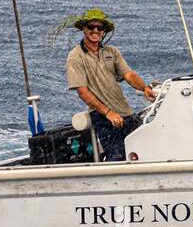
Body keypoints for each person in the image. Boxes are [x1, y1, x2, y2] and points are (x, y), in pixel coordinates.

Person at [65, 9, 155, 162]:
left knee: (147, 148)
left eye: (100, 28)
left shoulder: (112, 52)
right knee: (117, 156)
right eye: (91, 26)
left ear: (104, 32)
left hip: (125, 112)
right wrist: (108, 113)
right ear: (84, 29)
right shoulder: (75, 57)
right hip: (102, 116)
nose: (95, 31)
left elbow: (129, 75)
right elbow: (83, 92)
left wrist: (144, 88)